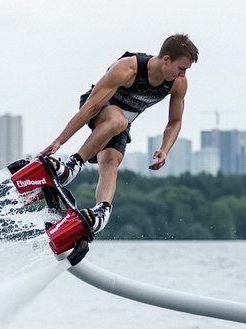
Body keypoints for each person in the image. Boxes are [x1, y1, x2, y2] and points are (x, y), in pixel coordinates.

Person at [41, 33, 199, 234]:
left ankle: (100, 212)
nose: (183, 74)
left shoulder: (178, 83)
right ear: (166, 59)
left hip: (123, 121)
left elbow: (175, 121)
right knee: (117, 120)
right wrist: (59, 141)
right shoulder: (127, 69)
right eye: (182, 68)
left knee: (112, 159)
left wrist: (164, 149)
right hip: (98, 107)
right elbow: (91, 106)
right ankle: (73, 165)